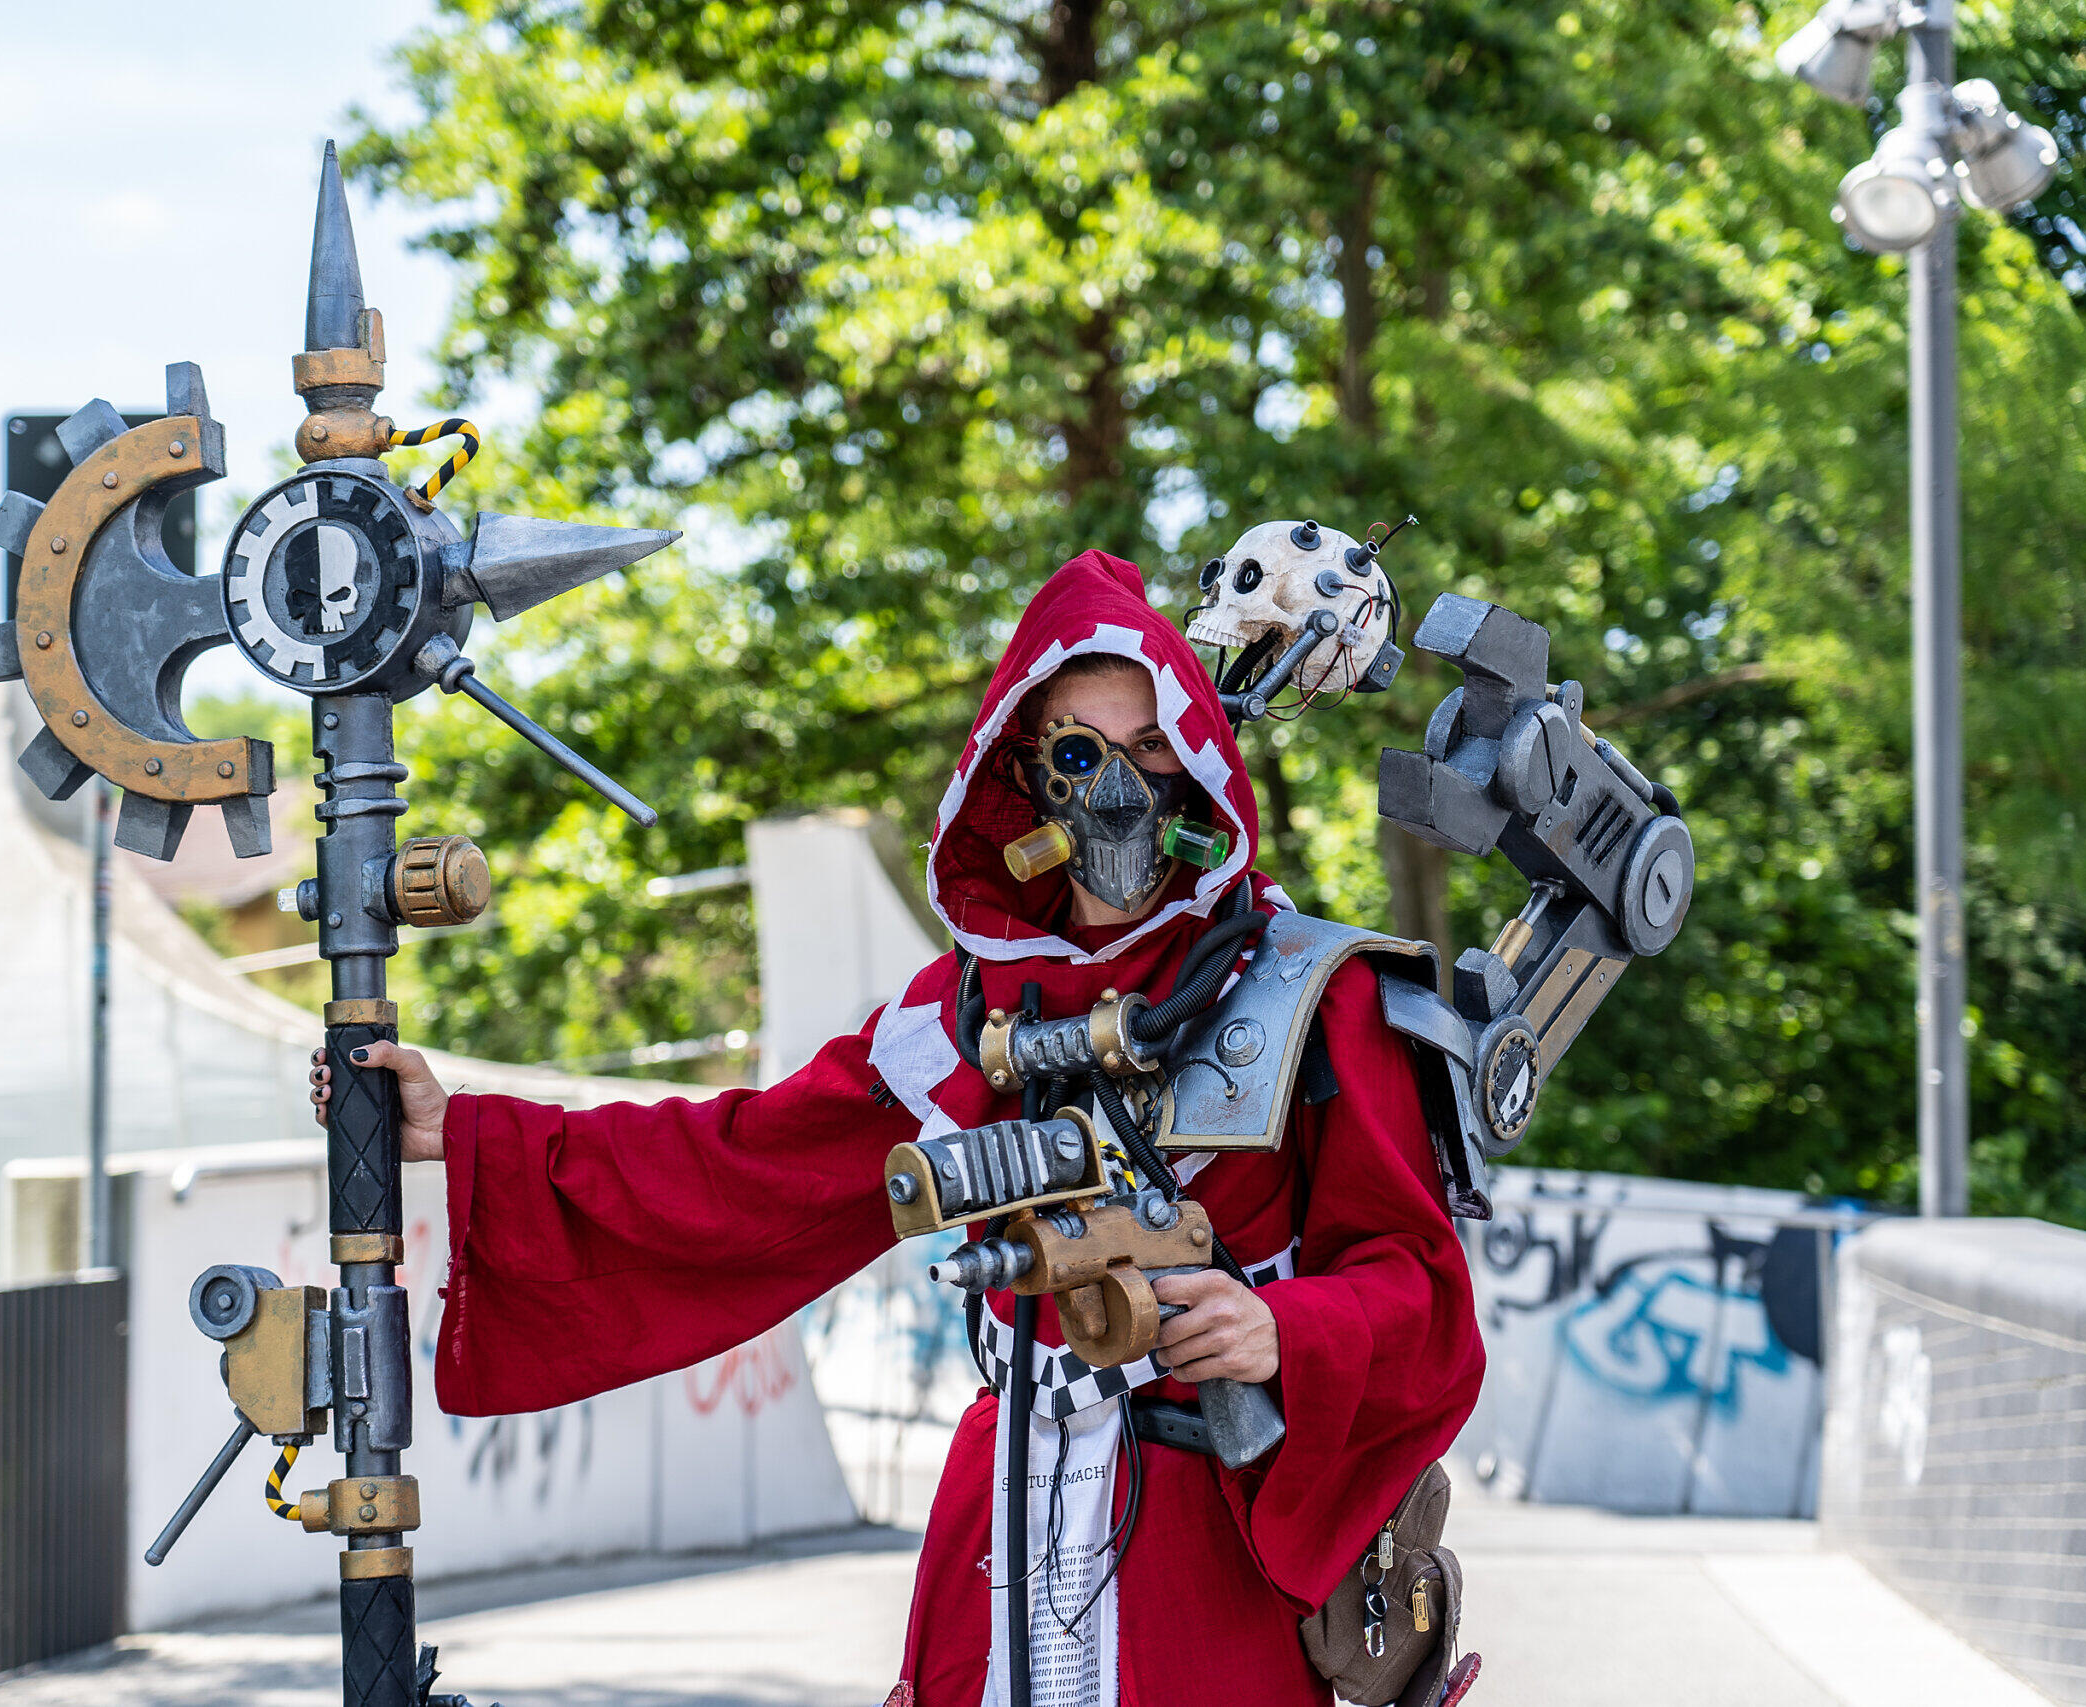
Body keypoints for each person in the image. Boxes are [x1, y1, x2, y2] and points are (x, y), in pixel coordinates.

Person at [311, 549, 1483, 1706]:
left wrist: (1282, 1328)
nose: (1120, 789)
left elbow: (1421, 1292)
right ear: (1021, 776)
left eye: (1151, 748)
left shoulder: (1313, 993)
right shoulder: (956, 1015)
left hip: (1204, 1537)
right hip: (1002, 1512)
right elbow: (739, 1169)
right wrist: (470, 1132)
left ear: (1199, 760)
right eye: (1080, 753)